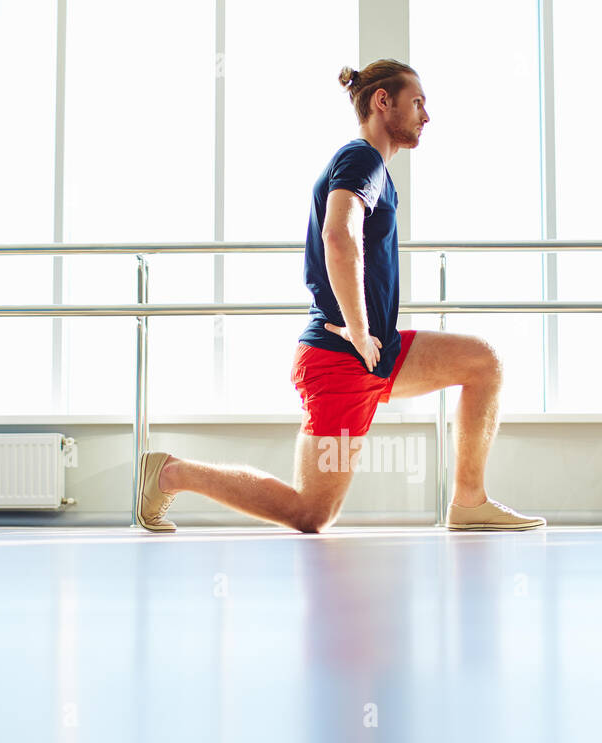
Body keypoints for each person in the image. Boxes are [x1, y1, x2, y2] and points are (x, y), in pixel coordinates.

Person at [137, 58, 545, 534]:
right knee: (311, 513)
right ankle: (169, 474)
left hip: (375, 352)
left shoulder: (375, 168)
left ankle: (470, 502)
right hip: (340, 357)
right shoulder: (362, 159)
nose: (425, 116)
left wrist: (367, 333)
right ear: (382, 101)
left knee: (482, 362)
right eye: (418, 103)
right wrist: (357, 327)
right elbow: (338, 234)